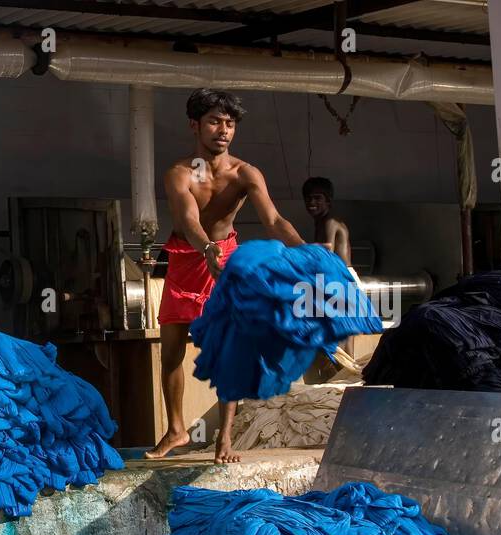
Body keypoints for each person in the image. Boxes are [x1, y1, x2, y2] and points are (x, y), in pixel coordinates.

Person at [148, 89, 306, 465]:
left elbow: (272, 220)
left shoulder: (245, 173)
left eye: (230, 124)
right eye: (215, 122)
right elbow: (188, 219)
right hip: (188, 259)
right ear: (195, 125)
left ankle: (225, 439)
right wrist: (205, 249)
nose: (223, 130)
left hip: (228, 260)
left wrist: (304, 248)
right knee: (171, 352)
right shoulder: (180, 173)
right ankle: (177, 429)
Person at [302, 176, 351, 265]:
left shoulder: (330, 222)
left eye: (317, 198)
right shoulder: (320, 222)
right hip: (335, 274)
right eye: (308, 198)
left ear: (328, 200)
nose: (311, 202)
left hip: (341, 276)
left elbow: (326, 258)